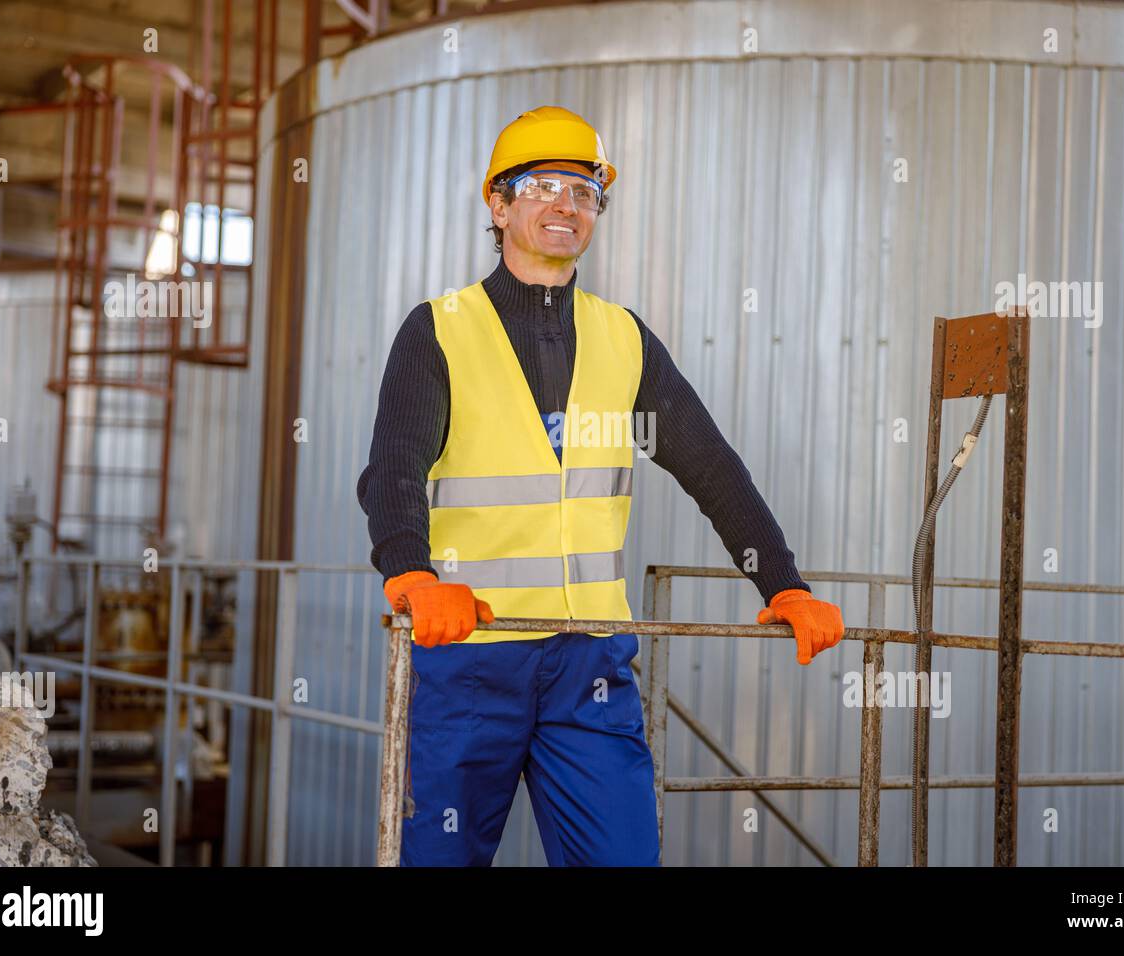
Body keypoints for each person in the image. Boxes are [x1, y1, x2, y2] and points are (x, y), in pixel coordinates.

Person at [356, 105, 844, 866]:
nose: (565, 205)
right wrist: (411, 574)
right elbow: (393, 469)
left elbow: (710, 466)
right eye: (543, 186)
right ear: (499, 203)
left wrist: (782, 583)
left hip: (591, 670)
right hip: (471, 657)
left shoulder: (624, 338)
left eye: (584, 192)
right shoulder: (440, 330)